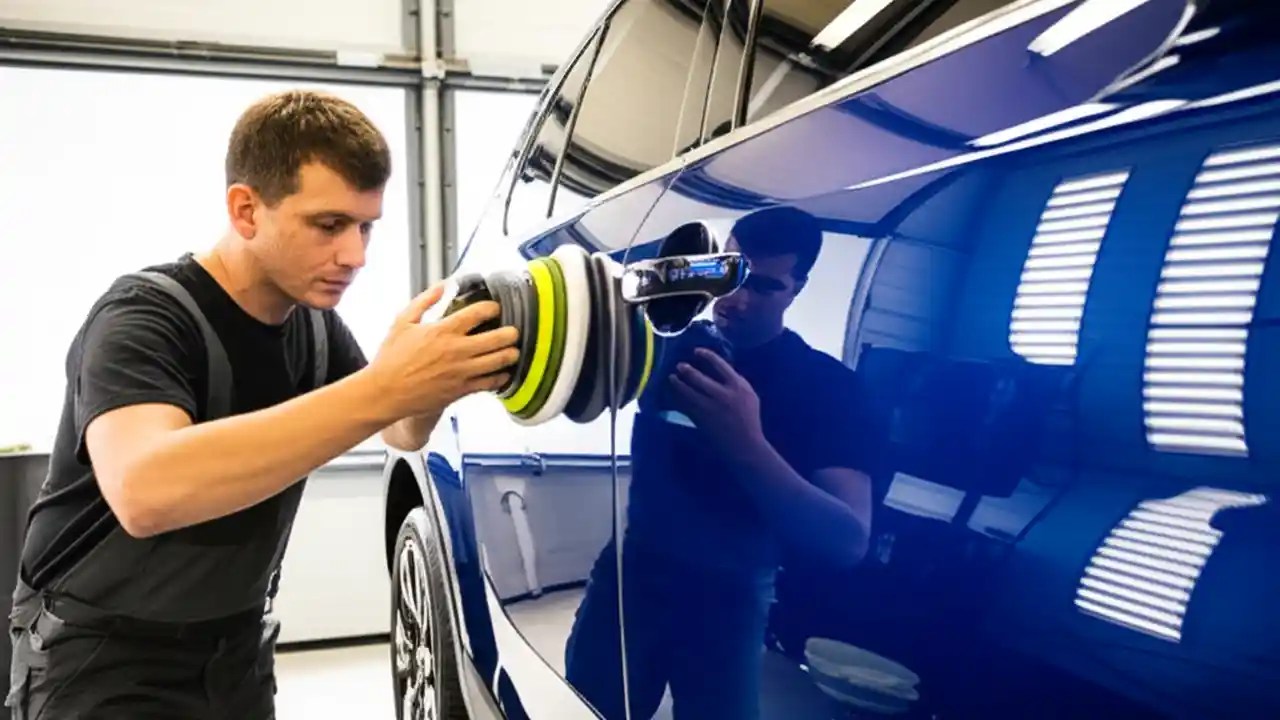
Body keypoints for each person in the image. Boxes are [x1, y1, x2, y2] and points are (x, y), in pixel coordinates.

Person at [4, 90, 518, 719]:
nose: (355, 255)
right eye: (329, 226)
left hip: (235, 652)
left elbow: (401, 430)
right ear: (246, 210)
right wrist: (386, 385)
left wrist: (443, 375)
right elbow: (146, 490)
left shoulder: (313, 327)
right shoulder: (143, 316)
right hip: (102, 664)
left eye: (366, 227)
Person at [564, 206, 876, 719]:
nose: (735, 298)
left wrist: (744, 439)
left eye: (765, 286)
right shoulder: (659, 342)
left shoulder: (830, 389)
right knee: (588, 710)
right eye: (727, 273)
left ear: (798, 288)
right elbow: (576, 348)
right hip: (632, 574)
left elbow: (848, 539)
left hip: (731, 597)